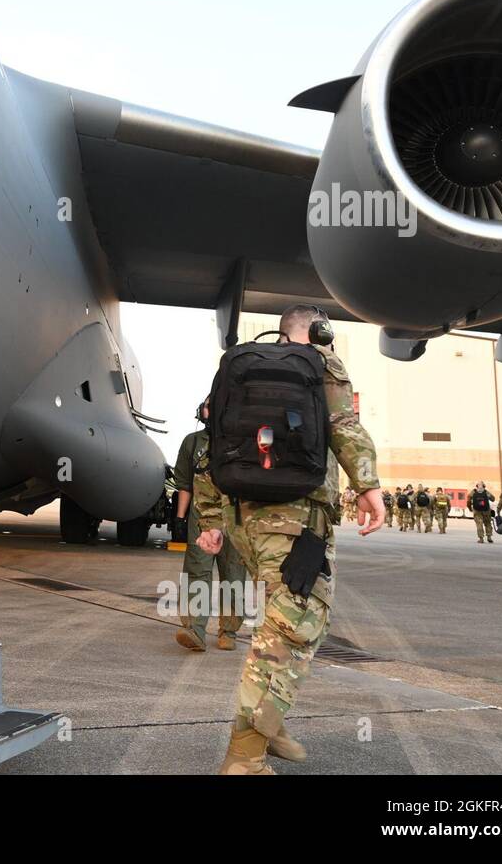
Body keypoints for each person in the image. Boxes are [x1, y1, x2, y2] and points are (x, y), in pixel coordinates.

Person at [195, 304, 385, 775]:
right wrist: (368, 486)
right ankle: (245, 757)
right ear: (320, 330)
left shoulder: (241, 368)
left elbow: (215, 444)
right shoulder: (321, 363)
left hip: (246, 518)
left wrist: (214, 518)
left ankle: (268, 720)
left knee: (288, 626)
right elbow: (344, 426)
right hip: (297, 521)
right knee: (289, 635)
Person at [171, 400, 246, 652]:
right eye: (207, 406)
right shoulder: (192, 442)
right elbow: (185, 485)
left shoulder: (243, 440)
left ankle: (229, 631)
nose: (211, 410)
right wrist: (180, 519)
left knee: (233, 574)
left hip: (235, 517)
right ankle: (195, 630)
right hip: (200, 518)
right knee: (197, 572)